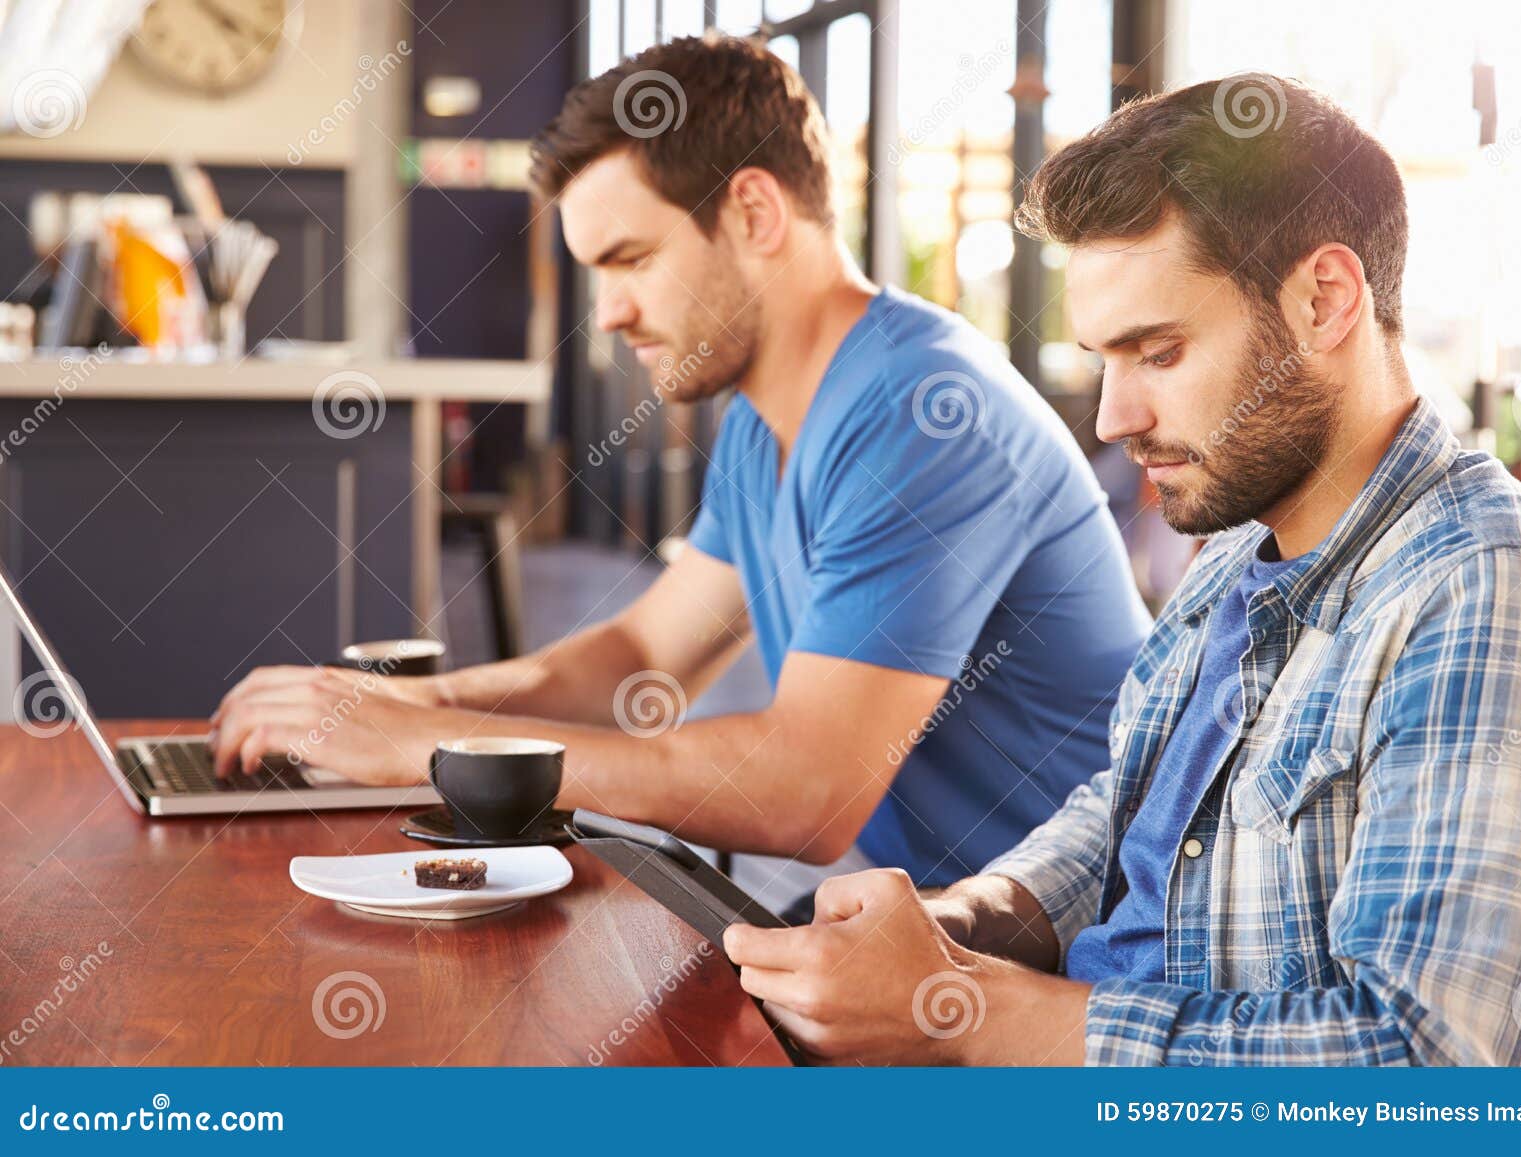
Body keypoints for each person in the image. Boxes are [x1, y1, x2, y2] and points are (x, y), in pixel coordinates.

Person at [725, 73, 1521, 1064]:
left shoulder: (1488, 584)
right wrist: (968, 917)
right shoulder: (1238, 541)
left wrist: (965, 1010)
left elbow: (1433, 1072)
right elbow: (1130, 810)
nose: (1112, 417)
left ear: (1324, 301)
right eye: (1103, 357)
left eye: (1159, 352)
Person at [208, 35, 1149, 909]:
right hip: (944, 911)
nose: (609, 311)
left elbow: (805, 793)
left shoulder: (923, 409)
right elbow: (643, 657)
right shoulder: (763, 415)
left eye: (633, 258)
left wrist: (438, 745)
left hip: (1081, 939)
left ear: (752, 212)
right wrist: (403, 705)